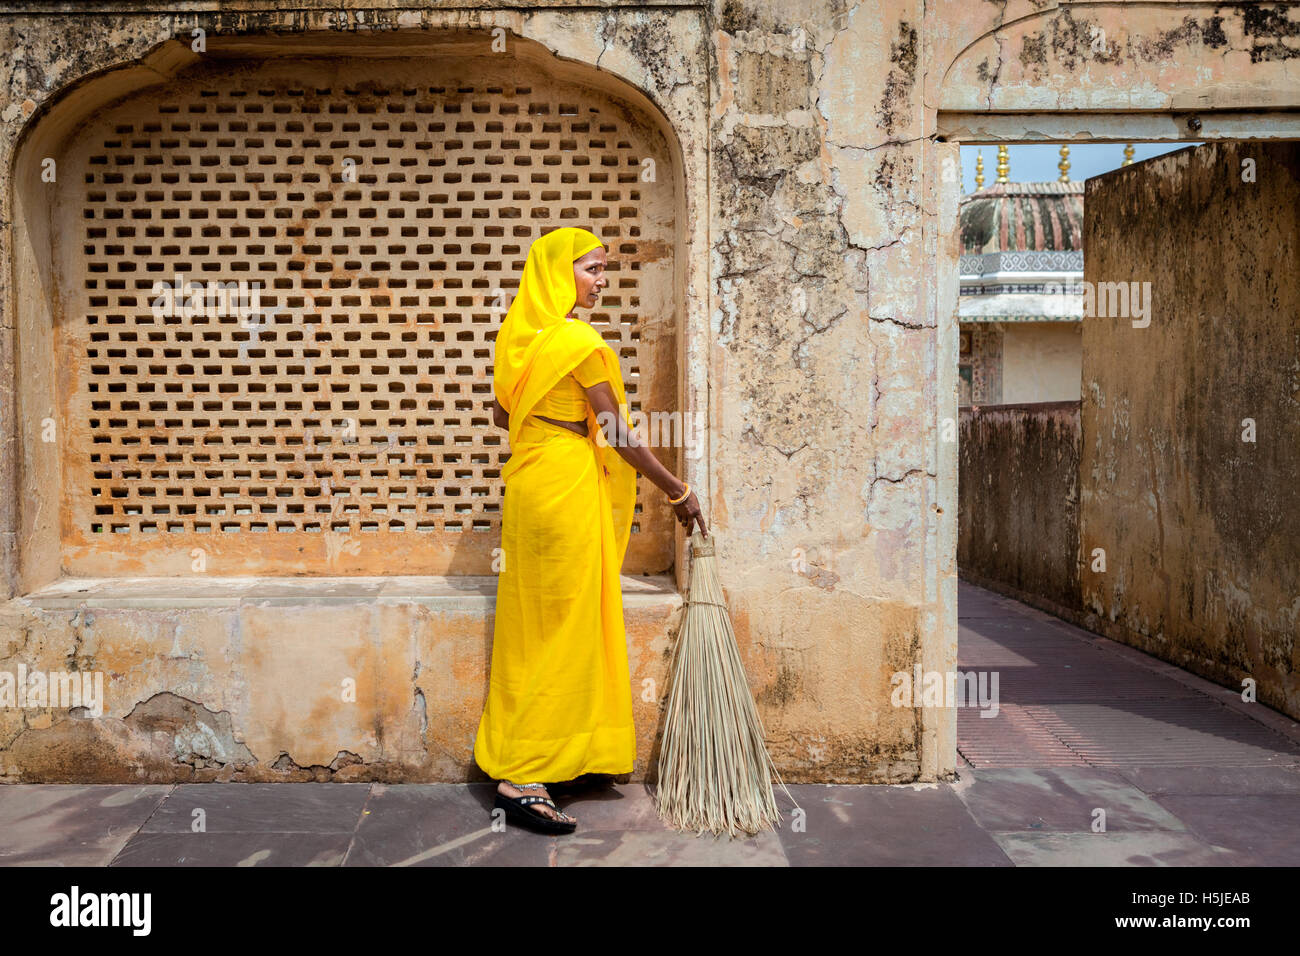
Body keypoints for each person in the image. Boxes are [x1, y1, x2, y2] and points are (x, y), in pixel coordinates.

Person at [474, 226, 706, 834]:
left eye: (604, 270)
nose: (602, 281)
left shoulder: (519, 338)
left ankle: (559, 753)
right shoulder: (576, 341)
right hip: (566, 486)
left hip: (530, 484)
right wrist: (677, 490)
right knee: (565, 629)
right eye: (593, 270)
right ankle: (523, 775)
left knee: (537, 628)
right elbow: (619, 433)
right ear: (560, 273)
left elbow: (503, 414)